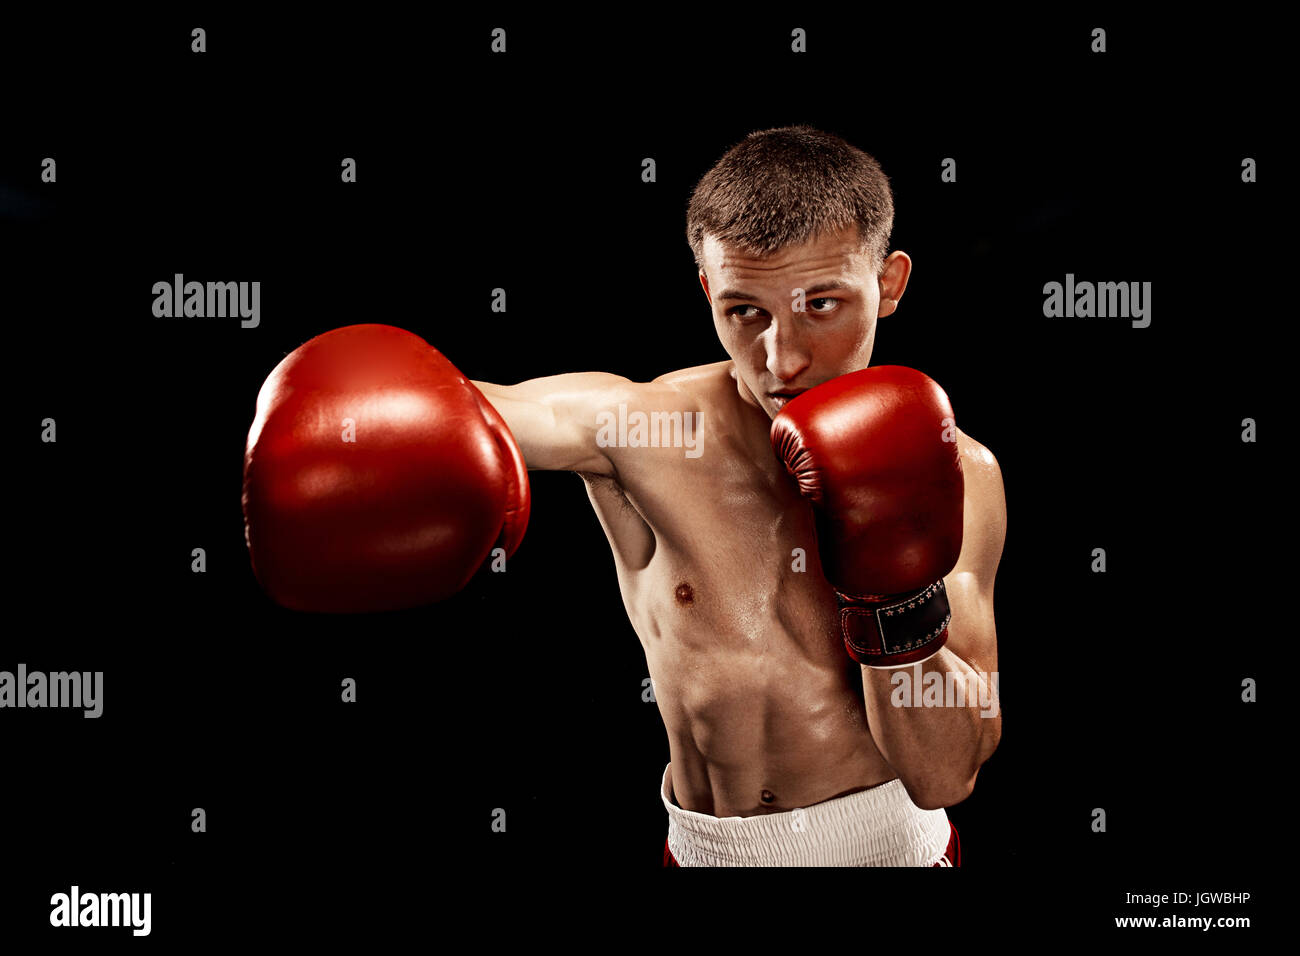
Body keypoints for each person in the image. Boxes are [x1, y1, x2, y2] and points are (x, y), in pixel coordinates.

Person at [242, 125, 1005, 867]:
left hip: (892, 853)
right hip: (710, 854)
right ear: (707, 289)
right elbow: (444, 409)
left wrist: (892, 605)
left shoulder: (962, 474)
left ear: (891, 283)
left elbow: (945, 774)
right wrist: (329, 439)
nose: (783, 358)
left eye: (822, 304)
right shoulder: (645, 429)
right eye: (744, 311)